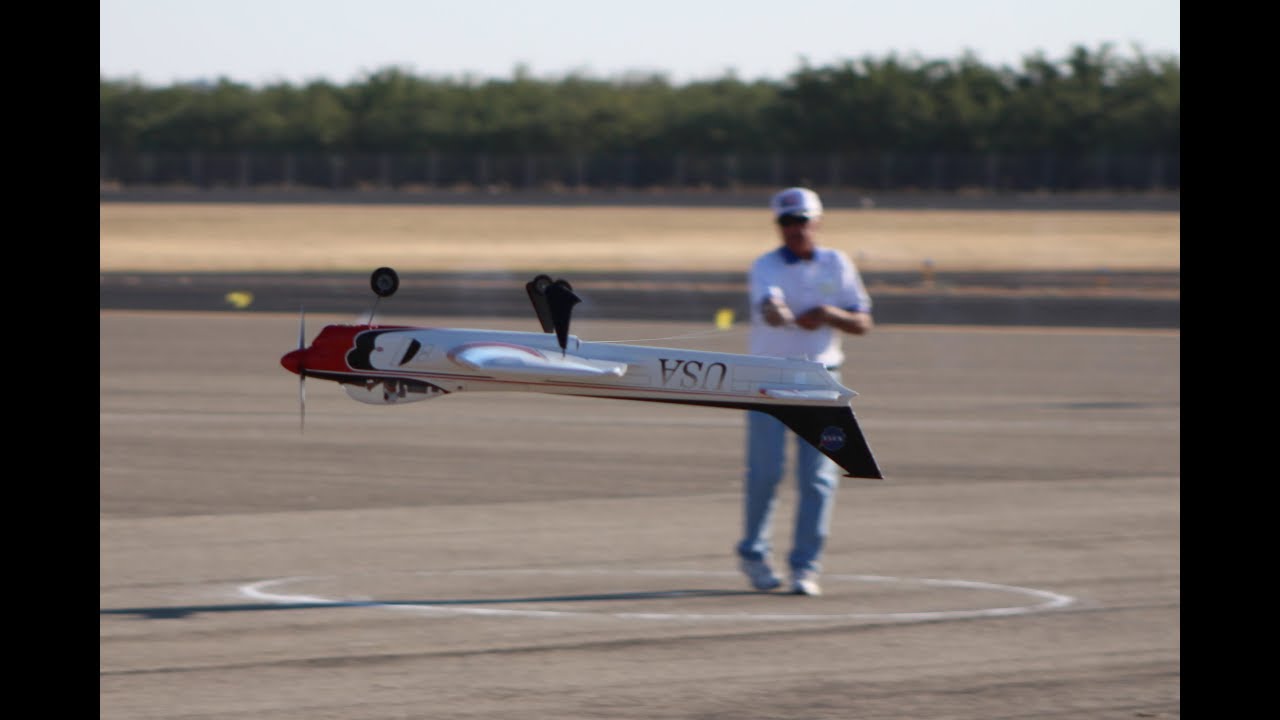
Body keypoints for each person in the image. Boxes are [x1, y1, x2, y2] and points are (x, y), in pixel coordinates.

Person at [736, 187, 874, 596]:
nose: (795, 229)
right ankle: (754, 554)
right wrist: (774, 313)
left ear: (818, 222)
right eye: (787, 222)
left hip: (820, 381)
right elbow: (768, 303)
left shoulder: (837, 263)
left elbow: (863, 321)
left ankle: (805, 564)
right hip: (766, 379)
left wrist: (832, 315)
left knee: (818, 479)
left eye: (802, 220)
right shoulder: (765, 265)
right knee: (765, 473)